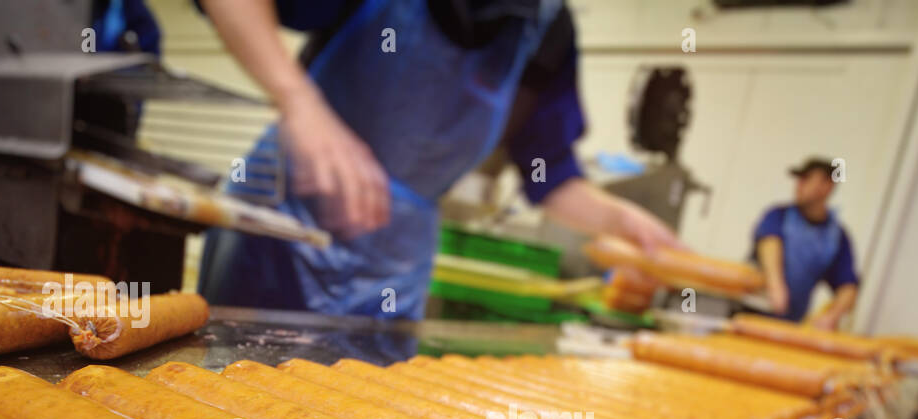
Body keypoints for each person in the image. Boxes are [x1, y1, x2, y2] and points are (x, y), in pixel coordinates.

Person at [195, 0, 681, 320]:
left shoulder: (548, 28)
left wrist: (621, 220)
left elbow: (548, 174)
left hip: (394, 260)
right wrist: (299, 102)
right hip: (284, 224)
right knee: (227, 405)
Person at [751, 157, 859, 329]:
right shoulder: (778, 216)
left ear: (827, 186)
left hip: (790, 323)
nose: (798, 185)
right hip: (751, 311)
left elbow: (848, 286)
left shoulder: (837, 237)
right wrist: (776, 285)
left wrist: (832, 316)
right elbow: (770, 244)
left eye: (806, 179)